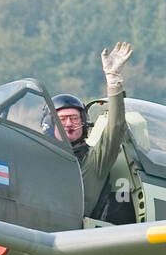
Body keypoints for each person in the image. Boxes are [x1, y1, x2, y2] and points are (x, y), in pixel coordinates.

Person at [55, 41, 132, 218]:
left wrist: (113, 80)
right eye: (62, 119)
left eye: (74, 118)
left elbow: (115, 128)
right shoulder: (38, 157)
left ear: (83, 122)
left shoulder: (93, 161)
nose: (68, 124)